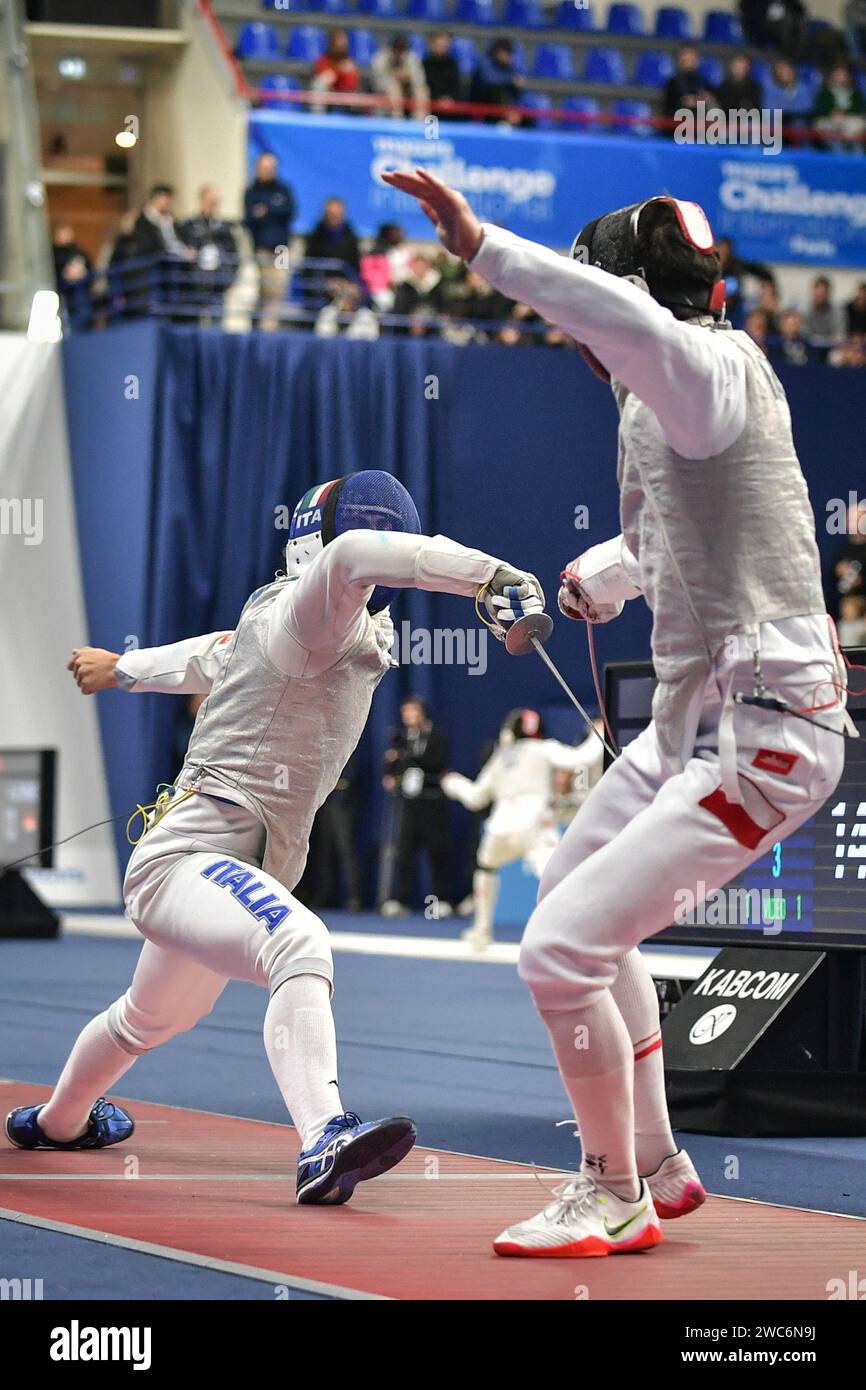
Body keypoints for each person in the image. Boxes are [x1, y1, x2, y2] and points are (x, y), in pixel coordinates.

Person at [382, 166, 850, 1258]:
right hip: (693, 726)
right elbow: (678, 533)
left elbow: (622, 322)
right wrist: (605, 572)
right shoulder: (673, 396)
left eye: (593, 303)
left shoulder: (694, 367)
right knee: (568, 899)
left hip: (764, 739)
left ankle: (608, 1191)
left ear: (631, 295)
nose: (576, 335)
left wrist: (480, 244)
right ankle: (662, 1160)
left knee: (555, 954)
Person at [7, 470, 545, 1210]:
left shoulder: (303, 618)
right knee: (298, 945)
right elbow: (355, 552)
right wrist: (491, 576)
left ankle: (58, 1122)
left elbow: (211, 653)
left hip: (221, 868)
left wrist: (122, 666)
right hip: (187, 859)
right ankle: (323, 1136)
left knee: (149, 1016)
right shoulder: (309, 613)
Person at [442, 709, 603, 949]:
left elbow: (476, 797)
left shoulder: (501, 756)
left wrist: (453, 784)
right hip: (534, 823)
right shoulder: (544, 748)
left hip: (500, 827)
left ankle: (481, 932)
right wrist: (597, 732)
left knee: (486, 868)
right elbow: (582, 758)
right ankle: (577, 934)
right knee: (556, 879)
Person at [381, 696, 453, 917]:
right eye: (405, 713)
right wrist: (391, 773)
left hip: (432, 801)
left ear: (422, 713)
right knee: (404, 852)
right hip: (409, 804)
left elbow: (436, 763)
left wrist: (406, 756)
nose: (408, 717)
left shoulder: (438, 737)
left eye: (412, 712)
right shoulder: (401, 738)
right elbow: (391, 765)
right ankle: (400, 900)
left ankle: (441, 900)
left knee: (436, 851)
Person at [243, 153, 297, 330]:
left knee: (278, 287)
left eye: (271, 168)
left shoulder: (283, 189)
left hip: (281, 248)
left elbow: (289, 212)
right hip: (261, 248)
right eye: (264, 168)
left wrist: (267, 210)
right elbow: (250, 218)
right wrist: (270, 212)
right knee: (260, 288)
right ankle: (255, 326)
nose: (268, 171)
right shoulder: (252, 191)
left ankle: (270, 328)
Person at [178, 185, 238, 314]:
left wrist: (229, 279)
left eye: (215, 202)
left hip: (219, 284)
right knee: (194, 324)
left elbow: (234, 254)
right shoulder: (188, 225)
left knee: (216, 325)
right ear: (201, 201)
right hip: (194, 285)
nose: (211, 205)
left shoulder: (225, 227)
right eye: (209, 201)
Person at [371, 34, 429, 120]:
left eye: (402, 49)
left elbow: (420, 80)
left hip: (408, 91)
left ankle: (419, 123)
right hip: (385, 92)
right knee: (394, 88)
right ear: (392, 48)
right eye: (397, 48)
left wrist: (408, 77)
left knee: (421, 91)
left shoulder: (411, 57)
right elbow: (378, 80)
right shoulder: (381, 57)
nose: (399, 52)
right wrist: (395, 76)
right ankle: (397, 121)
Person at [661, 45, 716, 133]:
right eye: (685, 58)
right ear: (680, 60)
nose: (689, 62)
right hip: (677, 131)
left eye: (692, 58)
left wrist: (698, 100)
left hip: (700, 131)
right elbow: (668, 110)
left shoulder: (704, 82)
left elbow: (709, 101)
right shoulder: (673, 83)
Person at [812, 64, 866, 152]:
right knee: (827, 130)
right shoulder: (825, 92)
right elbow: (820, 109)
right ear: (832, 76)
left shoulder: (856, 93)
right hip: (831, 122)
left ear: (848, 77)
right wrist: (832, 112)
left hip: (850, 122)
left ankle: (856, 158)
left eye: (843, 75)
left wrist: (844, 113)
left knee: (856, 132)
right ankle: (838, 155)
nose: (840, 77)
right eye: (837, 74)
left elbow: (859, 108)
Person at [470, 38, 524, 124]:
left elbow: (516, 84)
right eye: (507, 53)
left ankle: (511, 119)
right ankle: (506, 117)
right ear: (499, 52)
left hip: (501, 106)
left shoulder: (509, 67)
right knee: (496, 90)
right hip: (481, 103)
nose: (510, 56)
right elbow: (490, 80)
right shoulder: (485, 62)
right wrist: (511, 80)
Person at [310, 28, 360, 111]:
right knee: (319, 84)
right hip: (328, 97)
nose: (342, 43)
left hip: (346, 97)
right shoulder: (323, 60)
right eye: (339, 39)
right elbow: (327, 79)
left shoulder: (350, 62)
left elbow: (352, 85)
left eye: (344, 40)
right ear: (332, 42)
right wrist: (340, 70)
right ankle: (317, 118)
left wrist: (344, 73)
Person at [423, 32, 462, 114]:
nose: (442, 48)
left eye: (445, 46)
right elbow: (425, 86)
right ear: (433, 45)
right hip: (431, 103)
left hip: (450, 103)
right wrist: (438, 100)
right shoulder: (425, 63)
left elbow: (455, 86)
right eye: (439, 45)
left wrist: (450, 99)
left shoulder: (453, 63)